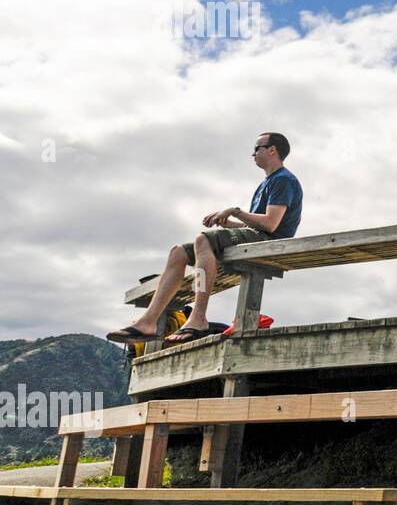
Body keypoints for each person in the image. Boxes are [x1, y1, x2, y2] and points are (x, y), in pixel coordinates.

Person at [108, 132, 303, 346]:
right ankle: (148, 321)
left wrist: (234, 211)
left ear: (272, 150)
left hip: (269, 240)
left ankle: (198, 317)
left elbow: (270, 224)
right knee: (178, 252)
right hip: (257, 235)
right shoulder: (268, 182)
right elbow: (256, 224)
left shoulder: (283, 180)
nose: (253, 153)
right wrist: (230, 225)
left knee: (204, 240)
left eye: (257, 148)